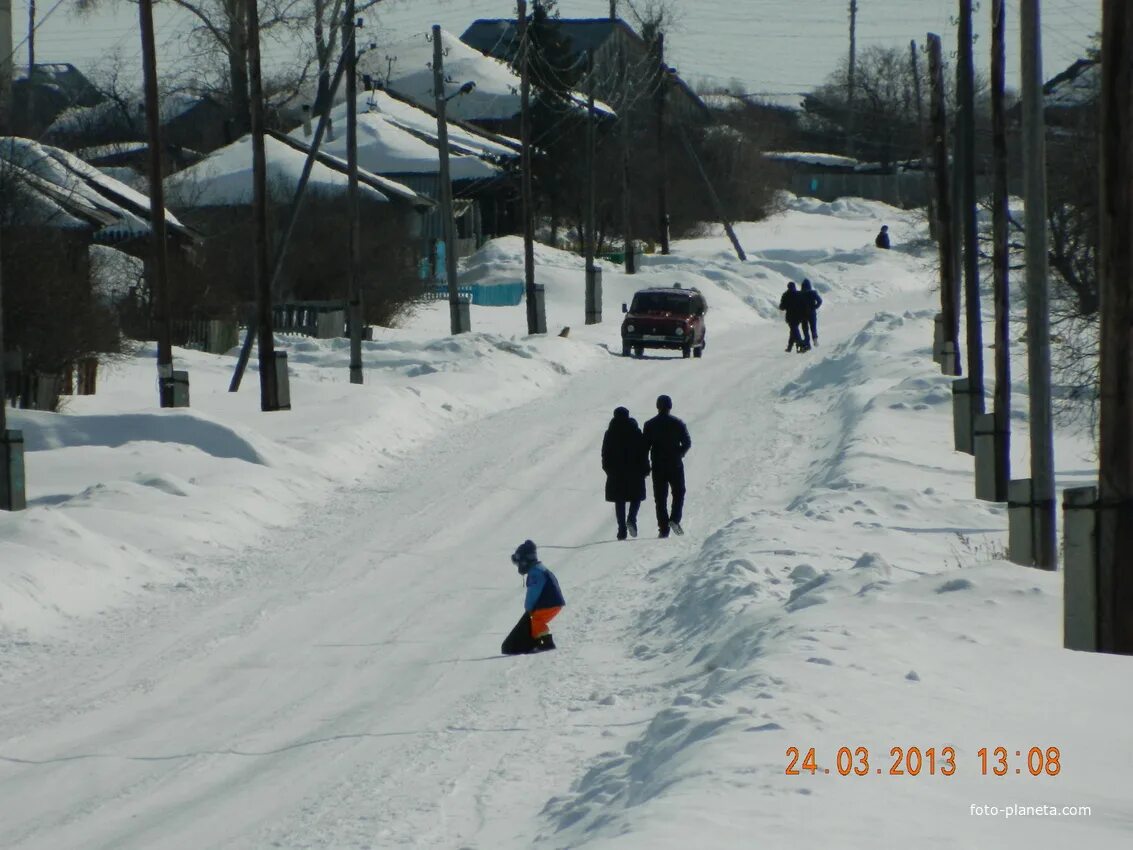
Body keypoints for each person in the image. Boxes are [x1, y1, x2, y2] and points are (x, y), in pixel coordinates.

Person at [501, 540, 566, 655]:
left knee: (536, 620)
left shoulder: (535, 573)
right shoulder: (539, 569)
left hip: (549, 603)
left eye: (519, 562)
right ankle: (539, 640)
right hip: (553, 602)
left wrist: (529, 607)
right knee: (535, 619)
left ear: (524, 561)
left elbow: (534, 592)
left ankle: (546, 642)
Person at [642, 395, 692, 538]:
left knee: (660, 497)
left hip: (658, 465)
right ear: (670, 406)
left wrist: (646, 465)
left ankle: (663, 529)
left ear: (657, 406)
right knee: (679, 492)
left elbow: (644, 447)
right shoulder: (678, 423)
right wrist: (679, 453)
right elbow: (687, 442)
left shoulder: (649, 424)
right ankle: (675, 519)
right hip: (675, 464)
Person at [602, 406, 650, 540]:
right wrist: (645, 468)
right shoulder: (635, 430)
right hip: (635, 470)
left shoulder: (610, 432)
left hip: (616, 472)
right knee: (636, 497)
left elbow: (605, 453)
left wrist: (608, 469)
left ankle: (621, 529)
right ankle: (632, 519)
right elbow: (643, 451)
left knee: (620, 501)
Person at [778, 281, 808, 353]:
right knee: (793, 330)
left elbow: (782, 307)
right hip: (799, 316)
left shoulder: (785, 295)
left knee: (794, 330)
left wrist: (782, 306)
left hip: (790, 317)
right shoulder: (799, 294)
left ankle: (801, 345)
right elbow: (804, 304)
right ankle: (790, 347)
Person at [799, 279, 823, 347]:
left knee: (805, 328)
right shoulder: (813, 293)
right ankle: (815, 340)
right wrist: (815, 307)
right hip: (812, 313)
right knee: (813, 327)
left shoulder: (800, 294)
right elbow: (820, 301)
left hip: (803, 314)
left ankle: (807, 342)